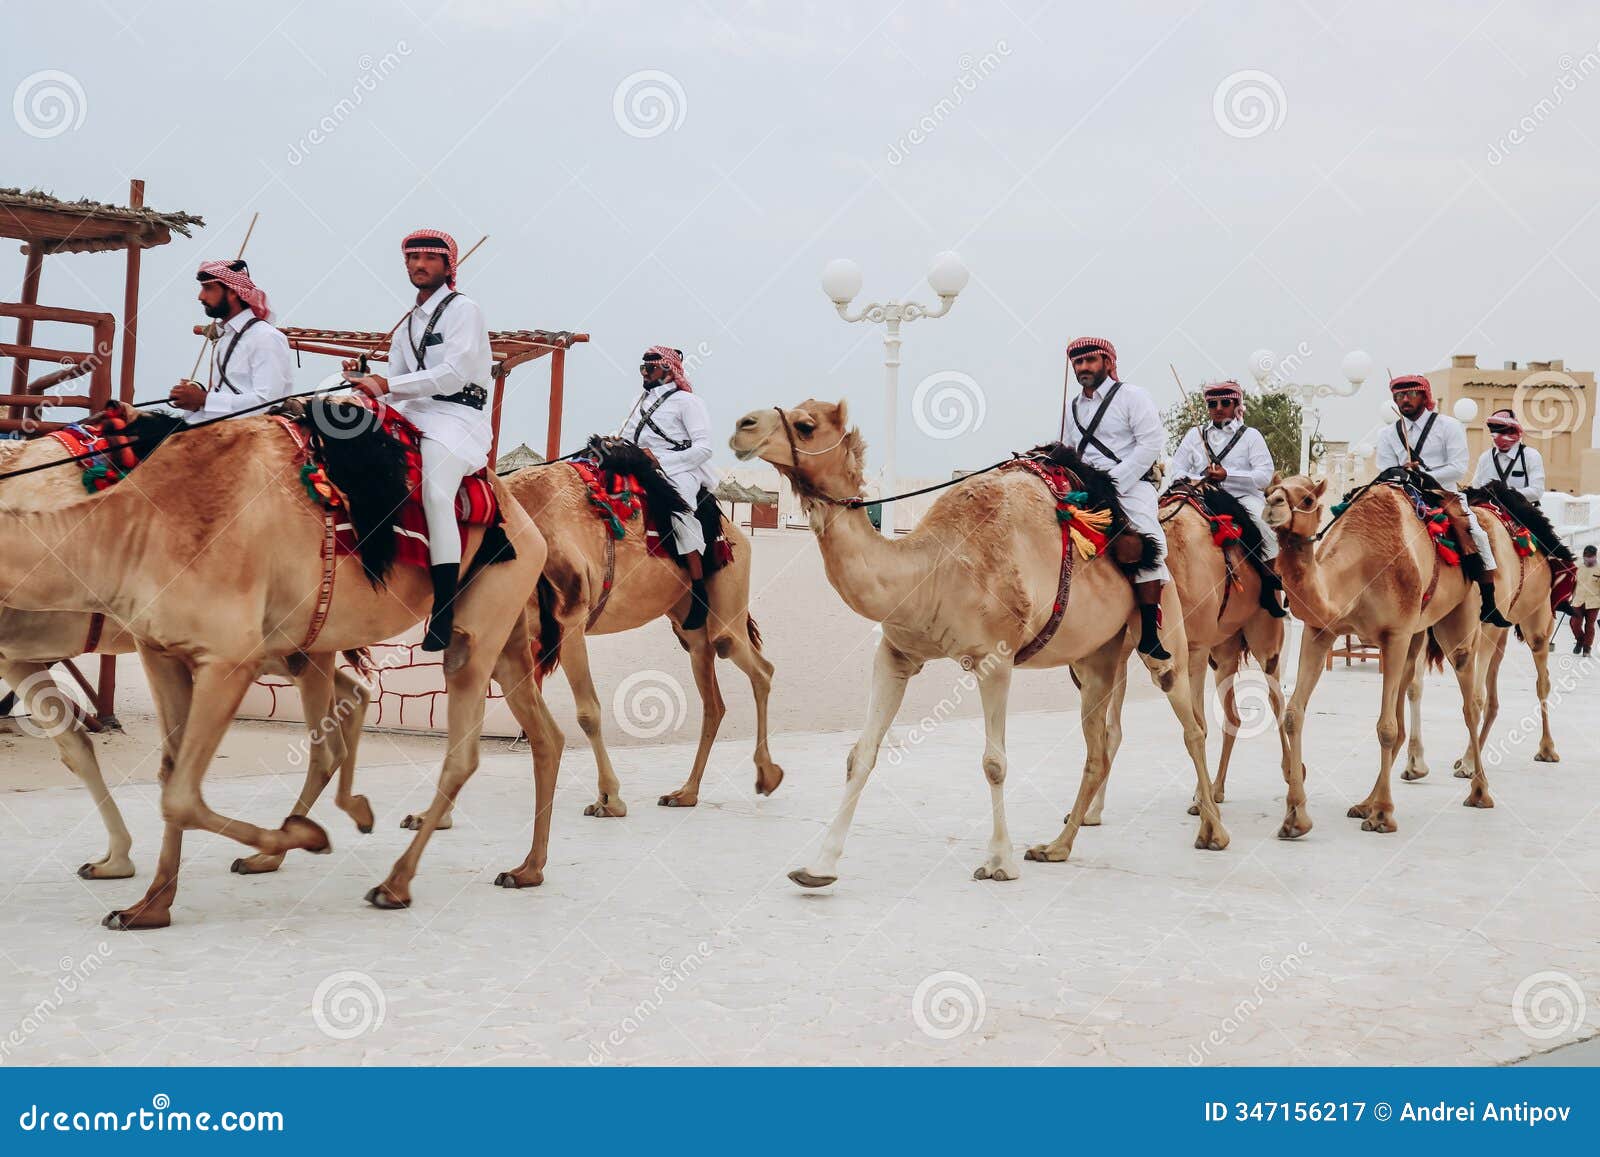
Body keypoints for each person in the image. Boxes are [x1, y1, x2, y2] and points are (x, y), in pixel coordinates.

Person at [348, 229, 493, 651]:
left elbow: (454, 374)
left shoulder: (464, 310)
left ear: (449, 266)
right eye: (412, 258)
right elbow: (395, 380)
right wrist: (363, 379)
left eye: (429, 258)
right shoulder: (407, 323)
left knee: (434, 493)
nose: (418, 265)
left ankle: (444, 609)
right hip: (413, 411)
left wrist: (386, 382)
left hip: (456, 416)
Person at [1060, 335, 1170, 659]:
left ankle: (1150, 633)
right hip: (1084, 487)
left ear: (1108, 363)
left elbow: (1150, 445)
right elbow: (1069, 448)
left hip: (1131, 484)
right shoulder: (1072, 407)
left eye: (1089, 360)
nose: (1083, 368)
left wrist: (1114, 482)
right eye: (1077, 363)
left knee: (1147, 538)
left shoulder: (1133, 397)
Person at [1375, 374, 1512, 627]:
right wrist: (1401, 471)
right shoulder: (1387, 434)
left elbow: (1458, 468)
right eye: (1399, 396)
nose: (1404, 399)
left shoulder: (1448, 426)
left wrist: (1424, 476)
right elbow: (1383, 467)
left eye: (1410, 394)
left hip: (1442, 494)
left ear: (1424, 397)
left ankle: (1488, 601)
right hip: (1401, 494)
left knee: (1476, 534)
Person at [619, 346, 717, 630]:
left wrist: (660, 459)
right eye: (642, 368)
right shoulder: (639, 401)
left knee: (679, 510)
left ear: (668, 369)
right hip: (638, 462)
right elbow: (627, 435)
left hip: (679, 468)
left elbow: (704, 448)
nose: (645, 373)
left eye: (650, 368)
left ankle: (699, 588)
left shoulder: (688, 402)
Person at [1168, 379, 1285, 616]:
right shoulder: (1195, 435)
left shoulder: (1251, 436)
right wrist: (1196, 478)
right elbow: (1176, 468)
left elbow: (1264, 476)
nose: (1218, 408)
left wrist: (1227, 475)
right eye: (1213, 404)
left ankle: (1269, 583)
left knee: (1264, 526)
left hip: (1242, 497)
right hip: (1201, 496)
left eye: (1225, 402)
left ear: (1236, 405)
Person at [168, 260, 293, 424]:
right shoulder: (225, 338)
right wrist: (194, 400)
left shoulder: (265, 336)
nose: (201, 296)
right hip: (214, 430)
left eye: (208, 288)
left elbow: (268, 403)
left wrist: (205, 399)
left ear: (233, 292)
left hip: (251, 439)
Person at [1471, 407, 1546, 503]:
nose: (1499, 437)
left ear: (1516, 431)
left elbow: (1537, 492)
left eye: (1504, 432)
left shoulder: (1531, 456)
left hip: (1522, 512)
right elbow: (1476, 487)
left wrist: (1506, 494)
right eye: (1494, 432)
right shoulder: (1485, 457)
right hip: (1490, 512)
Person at [1571, 545, 1599, 656]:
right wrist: (1569, 597)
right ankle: (1580, 640)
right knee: (1575, 623)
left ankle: (1587, 648)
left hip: (1594, 602)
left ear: (1595, 556)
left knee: (1590, 625)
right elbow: (1573, 583)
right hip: (1578, 600)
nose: (1588, 558)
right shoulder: (1578, 568)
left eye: (1591, 556)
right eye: (1586, 556)